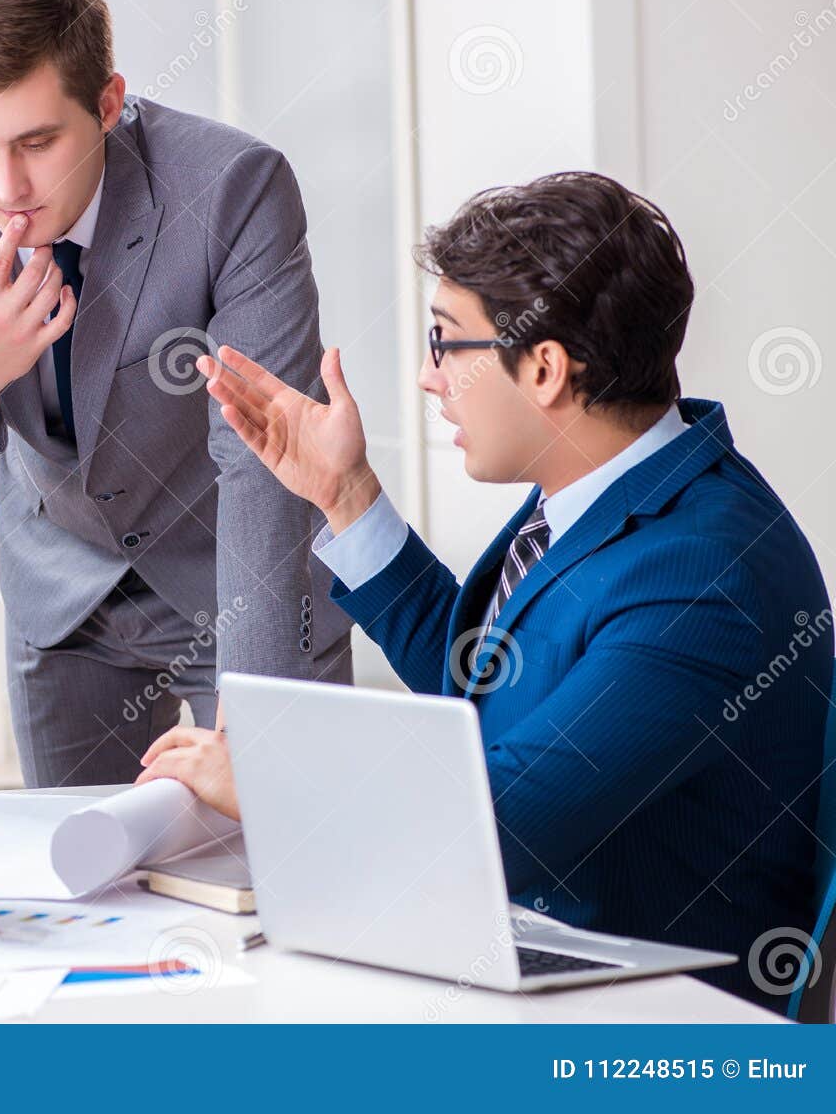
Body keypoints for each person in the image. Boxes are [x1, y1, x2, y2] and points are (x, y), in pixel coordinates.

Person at [139, 172, 833, 1009]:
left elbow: (499, 828)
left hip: (653, 1018)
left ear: (543, 368)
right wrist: (346, 494)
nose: (431, 378)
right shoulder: (595, 495)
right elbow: (483, 688)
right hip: (527, 955)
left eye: (446, 344)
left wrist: (269, 779)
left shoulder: (702, 576)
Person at [0, 0, 351, 787]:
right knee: (87, 885)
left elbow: (261, 453)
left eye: (38, 143)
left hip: (236, 572)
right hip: (61, 590)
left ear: (109, 105)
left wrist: (259, 700)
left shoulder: (233, 188)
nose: (6, 187)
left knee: (289, 867)